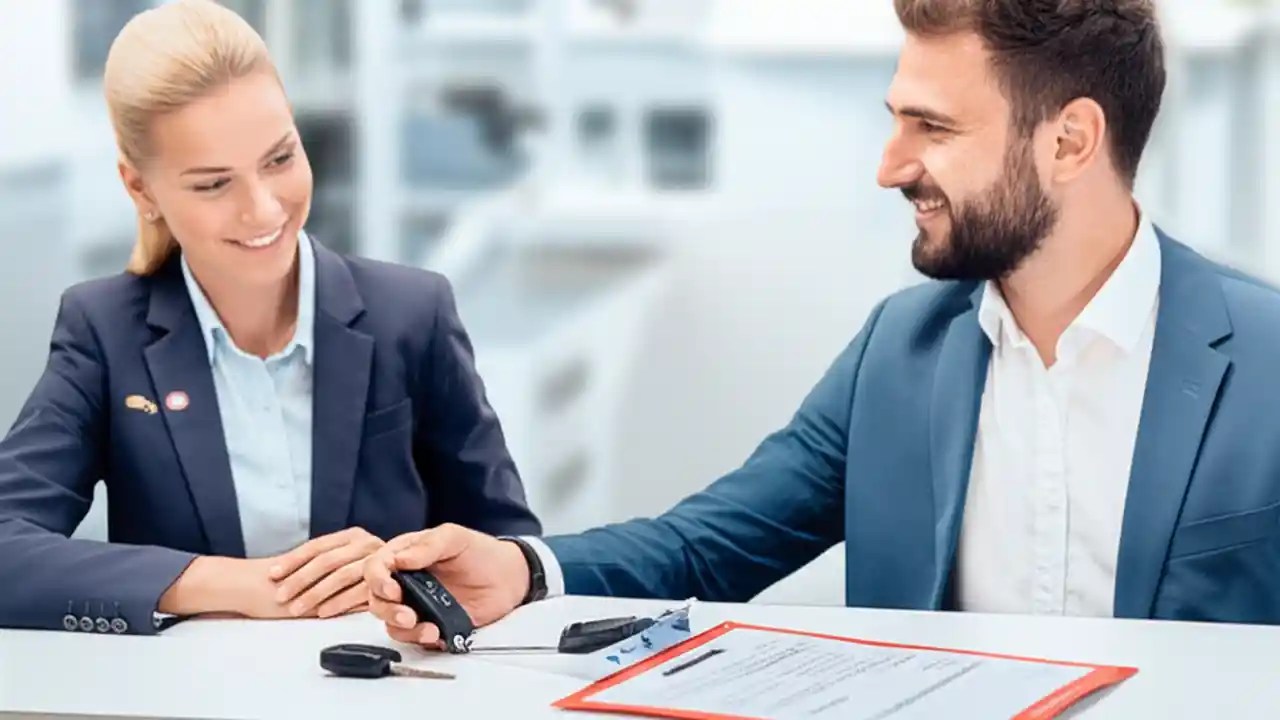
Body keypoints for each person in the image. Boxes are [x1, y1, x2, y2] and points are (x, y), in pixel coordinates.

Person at [366, 0, 1280, 645]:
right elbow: (710, 543)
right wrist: (521, 572)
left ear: (1070, 141)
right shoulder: (901, 352)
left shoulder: (1264, 360)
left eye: (933, 128)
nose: (890, 166)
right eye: (895, 122)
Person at [0, 0, 540, 636]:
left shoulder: (411, 313)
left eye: (280, 159)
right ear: (142, 190)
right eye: (213, 184)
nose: (263, 210)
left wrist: (417, 582)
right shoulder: (104, 331)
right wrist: (235, 584)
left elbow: (509, 556)